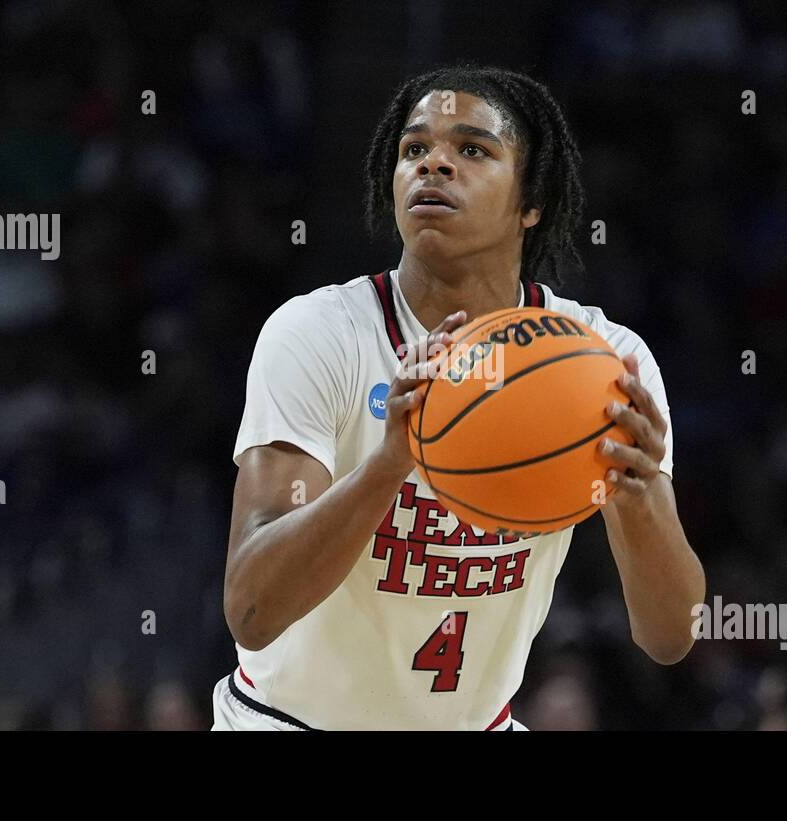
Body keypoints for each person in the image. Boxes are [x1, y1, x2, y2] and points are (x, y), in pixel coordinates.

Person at [212, 65, 704, 730]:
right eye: (414, 149)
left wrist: (639, 495)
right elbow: (252, 611)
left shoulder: (602, 363)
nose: (434, 163)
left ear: (531, 200)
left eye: (472, 149)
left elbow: (671, 636)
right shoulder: (319, 334)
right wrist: (388, 464)